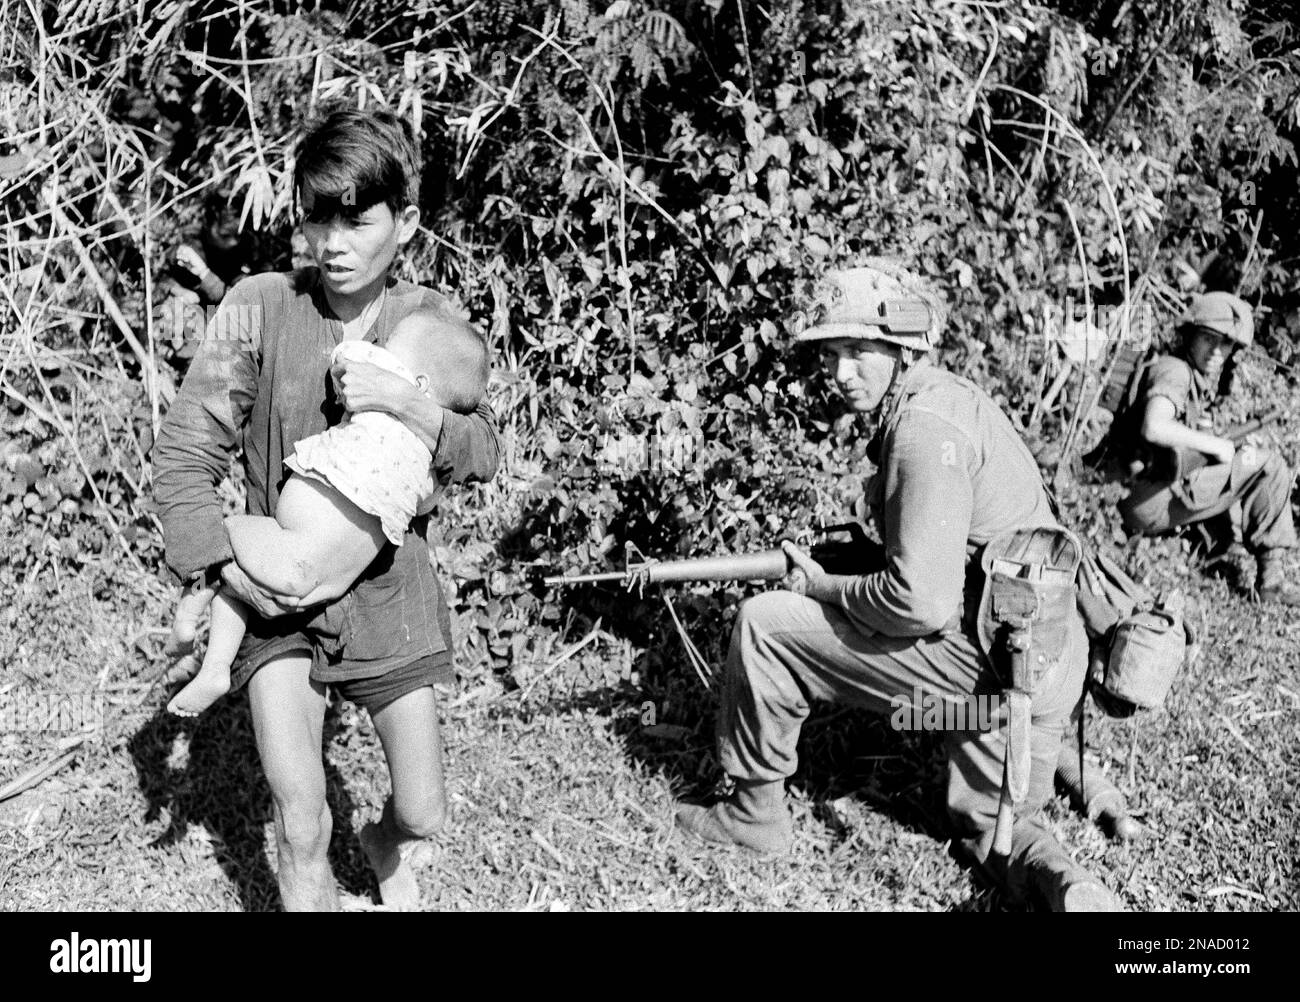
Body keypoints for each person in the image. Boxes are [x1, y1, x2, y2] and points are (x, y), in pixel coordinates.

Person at [675, 261, 1118, 911]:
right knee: (988, 822)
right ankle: (1068, 882)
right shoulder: (952, 398)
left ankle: (751, 816)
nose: (842, 373)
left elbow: (919, 603)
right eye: (831, 354)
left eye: (859, 351)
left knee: (767, 625)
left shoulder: (919, 431)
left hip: (990, 674)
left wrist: (823, 587)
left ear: (903, 347)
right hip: (1041, 668)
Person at [152, 108, 500, 911]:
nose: (334, 240)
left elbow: (484, 451)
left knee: (424, 808)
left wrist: (413, 409)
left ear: (405, 224)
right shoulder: (258, 301)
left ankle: (383, 845)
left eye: (358, 217)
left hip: (386, 596)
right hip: (277, 605)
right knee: (300, 819)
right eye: (318, 215)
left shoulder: (430, 324)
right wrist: (220, 564)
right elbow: (185, 450)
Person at [165, 308, 490, 718]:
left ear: (417, 382)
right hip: (330, 577)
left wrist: (355, 361)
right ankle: (212, 664)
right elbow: (423, 503)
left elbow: (348, 360)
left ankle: (195, 623)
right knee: (238, 585)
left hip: (294, 543)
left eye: (392, 348)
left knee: (222, 534)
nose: (382, 349)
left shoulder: (386, 379)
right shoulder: (430, 462)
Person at [1116, 292, 1299, 605]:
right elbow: (1155, 426)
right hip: (1148, 502)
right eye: (1208, 338)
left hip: (1146, 495)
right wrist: (1216, 444)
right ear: (1189, 334)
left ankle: (1222, 546)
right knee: (1270, 465)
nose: (1216, 351)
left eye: (1225, 344)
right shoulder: (1175, 371)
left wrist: (1229, 445)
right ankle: (1271, 582)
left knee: (1251, 457)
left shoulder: (1190, 375)